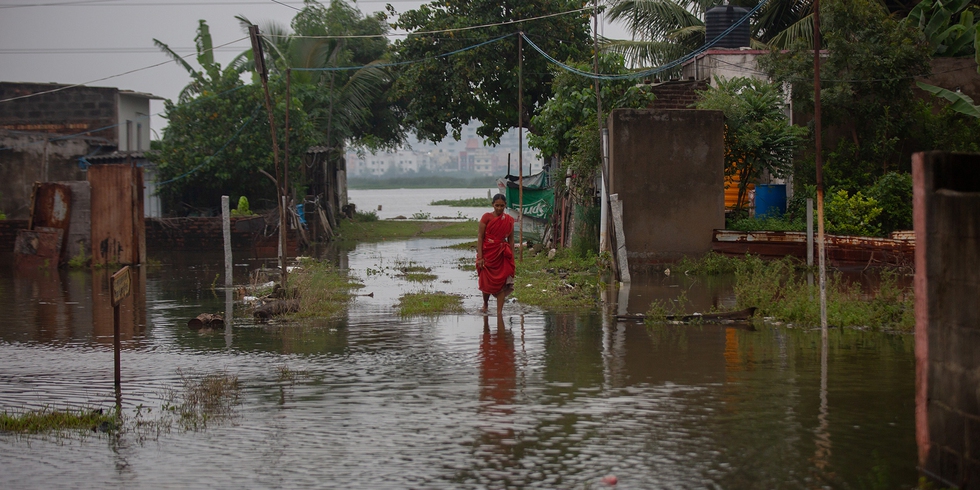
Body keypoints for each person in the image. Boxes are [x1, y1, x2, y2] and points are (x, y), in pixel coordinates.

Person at [477, 194, 515, 315]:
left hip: (502, 254)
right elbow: (480, 237)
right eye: (497, 205)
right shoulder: (486, 217)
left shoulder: (508, 220)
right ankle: (485, 303)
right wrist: (480, 257)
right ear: (492, 205)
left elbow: (511, 239)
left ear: (505, 205)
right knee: (486, 281)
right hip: (488, 253)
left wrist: (512, 256)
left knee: (503, 281)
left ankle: (499, 312)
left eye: (502, 206)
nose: (499, 208)